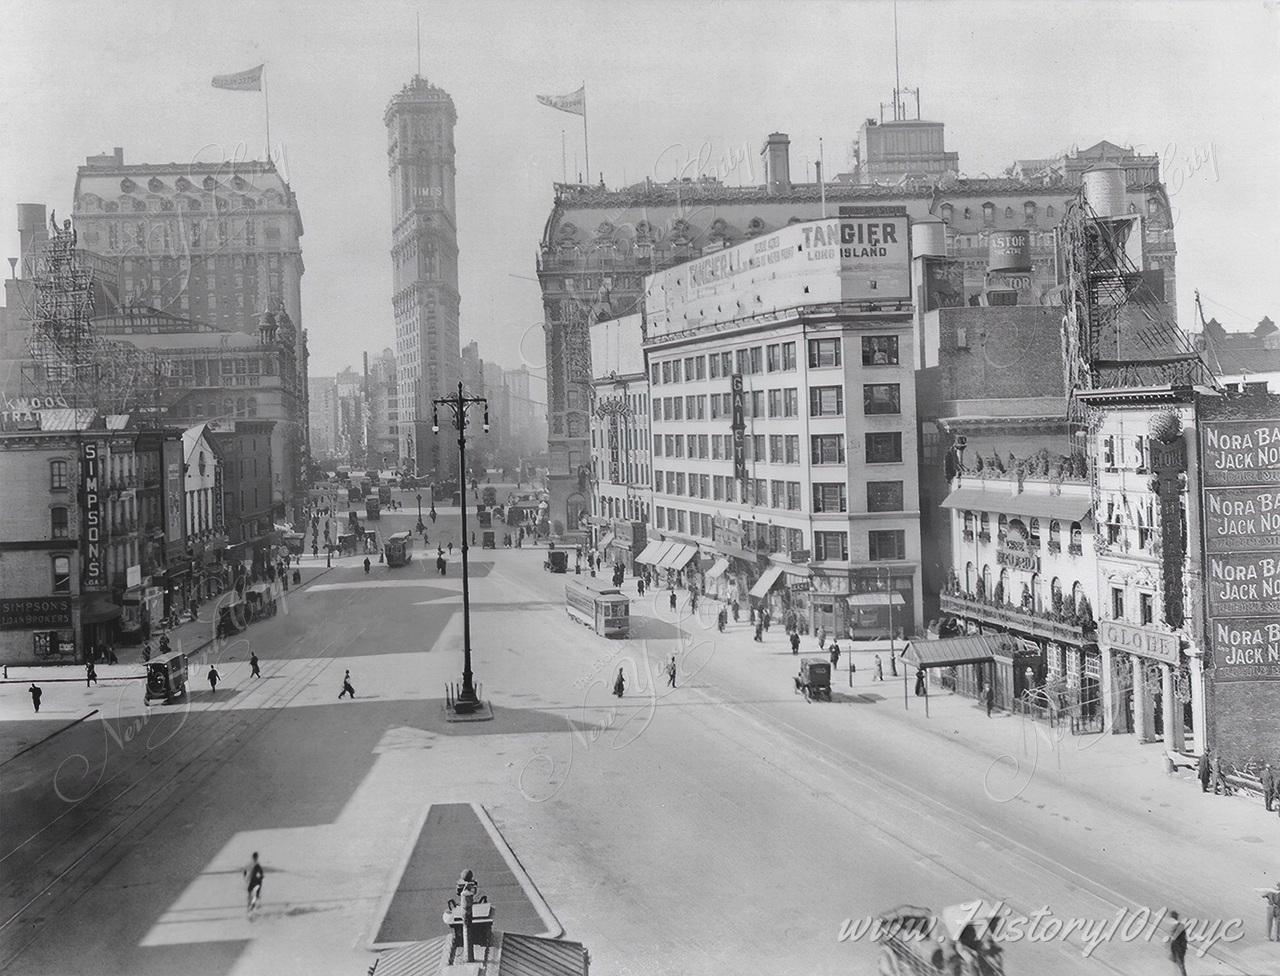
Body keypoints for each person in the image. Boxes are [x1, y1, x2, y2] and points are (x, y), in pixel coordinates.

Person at [1168, 910, 1188, 976]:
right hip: (1179, 947)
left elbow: (1174, 937)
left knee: (1180, 963)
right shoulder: (1178, 925)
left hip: (1179, 948)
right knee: (1179, 963)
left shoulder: (1178, 926)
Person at [245, 852, 264, 916]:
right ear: (256, 857)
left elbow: (245, 872)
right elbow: (260, 875)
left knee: (251, 895)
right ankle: (252, 907)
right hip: (255, 881)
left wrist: (246, 878)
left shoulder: (250, 864)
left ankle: (250, 907)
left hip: (252, 881)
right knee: (254, 895)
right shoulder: (257, 865)